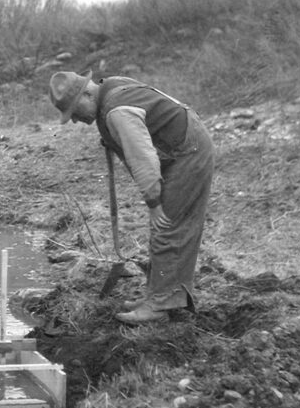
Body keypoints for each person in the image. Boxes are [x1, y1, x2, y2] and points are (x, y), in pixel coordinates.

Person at [49, 70, 214, 324]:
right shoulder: (111, 89)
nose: (74, 120)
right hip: (181, 146)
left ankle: (159, 306)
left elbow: (143, 159)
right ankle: (159, 296)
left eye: (74, 111)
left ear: (87, 94)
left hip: (187, 152)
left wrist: (154, 202)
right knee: (165, 227)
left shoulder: (117, 111)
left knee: (167, 225)